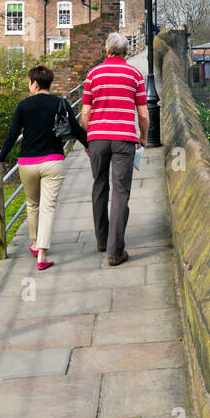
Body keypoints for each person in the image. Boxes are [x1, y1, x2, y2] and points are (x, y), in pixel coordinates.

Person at [0, 64, 87, 271]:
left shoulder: (23, 106)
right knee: (48, 207)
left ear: (34, 83)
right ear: (48, 83)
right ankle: (42, 254)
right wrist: (89, 147)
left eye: (28, 82)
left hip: (27, 163)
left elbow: (12, 135)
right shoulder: (61, 103)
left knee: (32, 205)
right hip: (53, 161)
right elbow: (76, 129)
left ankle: (34, 242)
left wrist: (1, 158)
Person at [81, 32, 149, 266]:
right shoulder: (135, 75)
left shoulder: (93, 74)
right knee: (121, 192)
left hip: (98, 138)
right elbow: (143, 113)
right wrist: (144, 136)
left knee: (99, 186)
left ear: (107, 51)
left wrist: (89, 138)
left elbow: (85, 113)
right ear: (127, 52)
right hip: (123, 139)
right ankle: (115, 250)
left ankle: (101, 239)